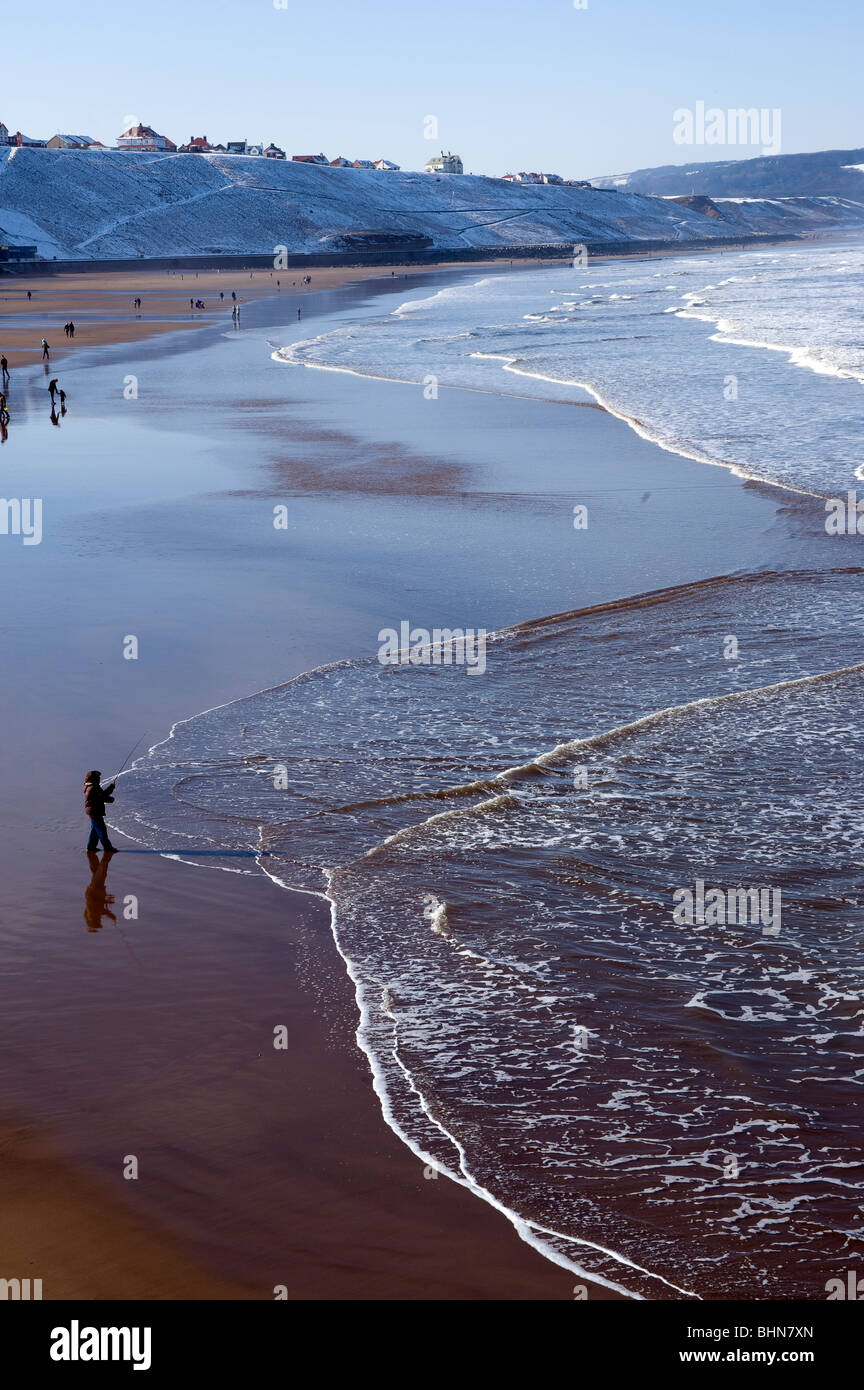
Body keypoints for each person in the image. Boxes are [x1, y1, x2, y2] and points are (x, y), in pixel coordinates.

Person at [84, 771, 117, 852]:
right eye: (98, 778)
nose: (99, 779)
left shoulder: (88, 786)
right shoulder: (94, 788)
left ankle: (91, 847)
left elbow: (101, 795)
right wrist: (111, 799)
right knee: (101, 830)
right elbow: (103, 797)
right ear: (95, 779)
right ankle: (108, 848)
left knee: (94, 829)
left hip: (91, 810)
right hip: (95, 811)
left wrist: (111, 787)